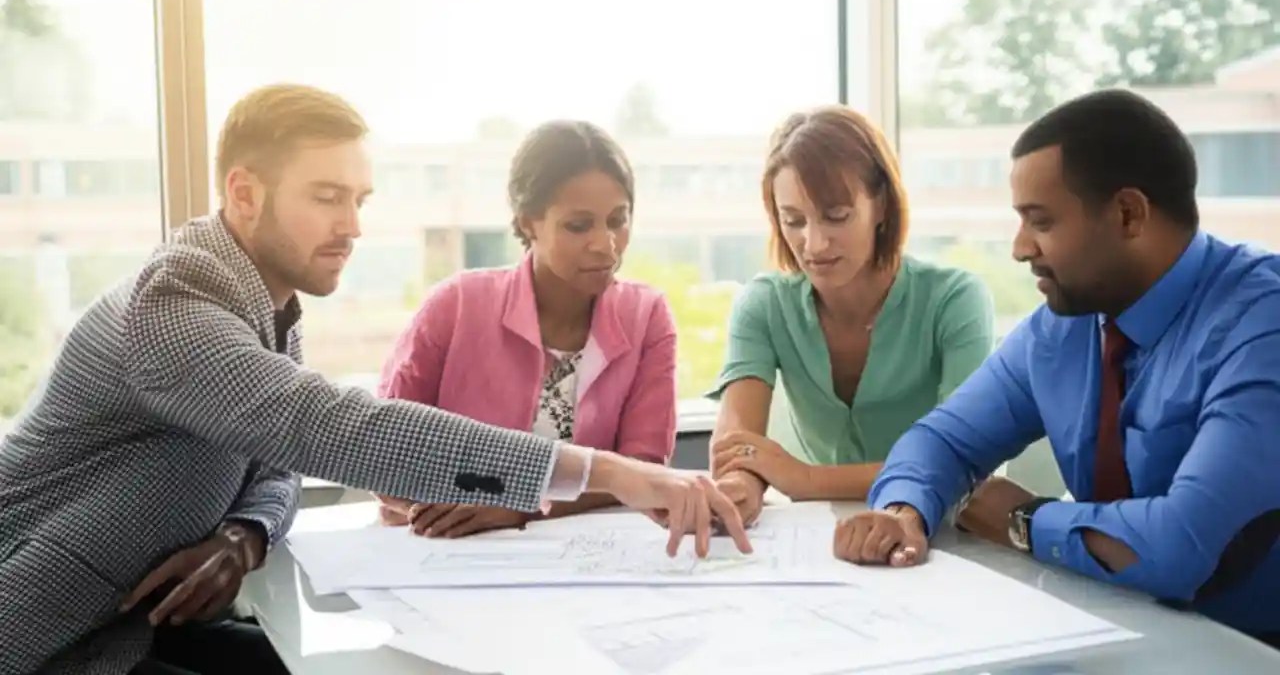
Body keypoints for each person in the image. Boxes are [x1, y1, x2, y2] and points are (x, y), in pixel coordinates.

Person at [0, 84, 750, 675]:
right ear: (245, 194)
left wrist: (242, 536)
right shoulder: (174, 308)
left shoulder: (265, 311)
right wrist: (610, 472)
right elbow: (333, 429)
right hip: (38, 642)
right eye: (327, 197)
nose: (354, 226)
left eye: (359, 201)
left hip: (126, 632)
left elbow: (278, 469)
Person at [837, 89, 1280, 646]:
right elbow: (943, 440)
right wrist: (904, 512)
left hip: (1250, 645)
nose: (1020, 248)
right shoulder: (1067, 324)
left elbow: (1184, 545)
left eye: (1040, 222)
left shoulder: (1262, 324)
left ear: (1128, 214)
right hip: (1110, 625)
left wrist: (1024, 521)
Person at [376, 120, 677, 538]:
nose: (605, 244)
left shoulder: (647, 316)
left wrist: (523, 506)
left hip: (581, 553)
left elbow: (644, 473)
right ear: (528, 222)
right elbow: (384, 451)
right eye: (579, 225)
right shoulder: (456, 305)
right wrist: (460, 506)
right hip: (442, 549)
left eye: (617, 220)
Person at [707, 105, 994, 525]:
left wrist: (805, 479)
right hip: (812, 534)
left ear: (882, 205)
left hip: (934, 528)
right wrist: (741, 485)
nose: (814, 244)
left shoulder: (955, 300)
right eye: (793, 220)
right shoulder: (763, 305)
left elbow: (964, 460)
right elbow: (738, 445)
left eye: (836, 217)